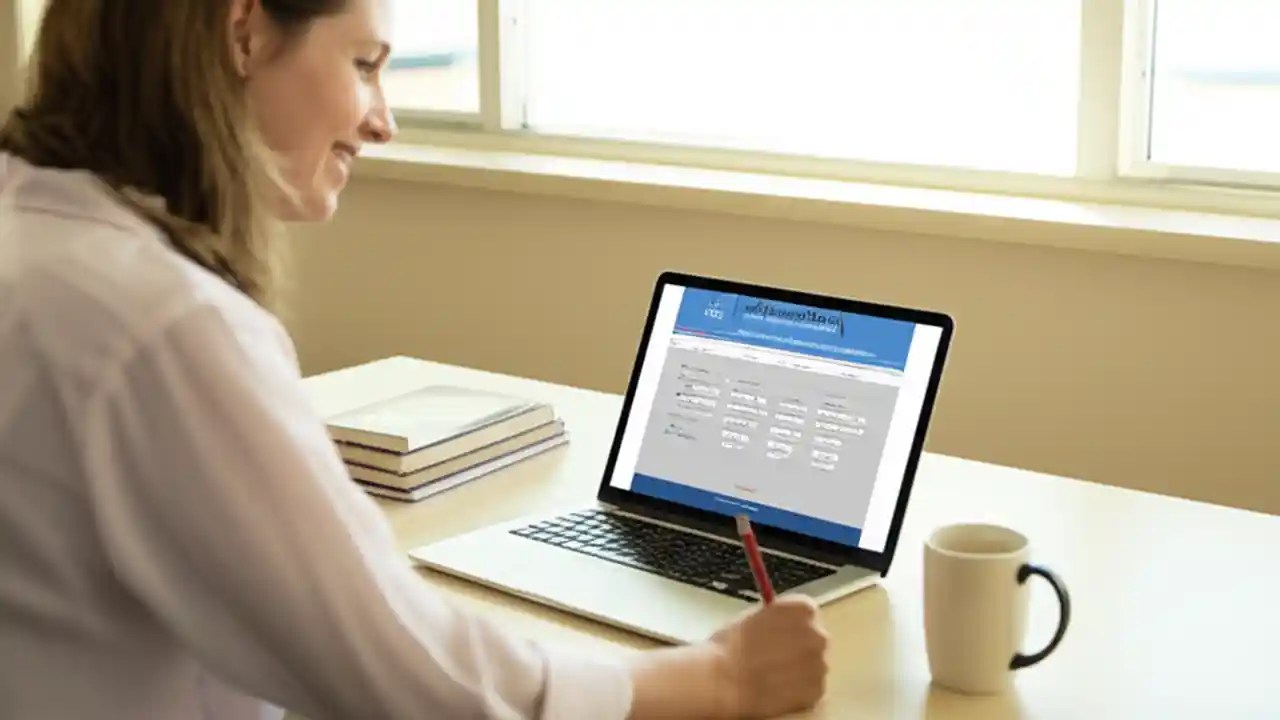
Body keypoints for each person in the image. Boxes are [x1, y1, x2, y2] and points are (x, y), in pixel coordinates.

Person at [0, 1, 830, 718]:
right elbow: (413, 685)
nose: (382, 121)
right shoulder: (163, 326)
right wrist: (722, 675)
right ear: (244, 32)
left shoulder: (34, 232)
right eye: (364, 65)